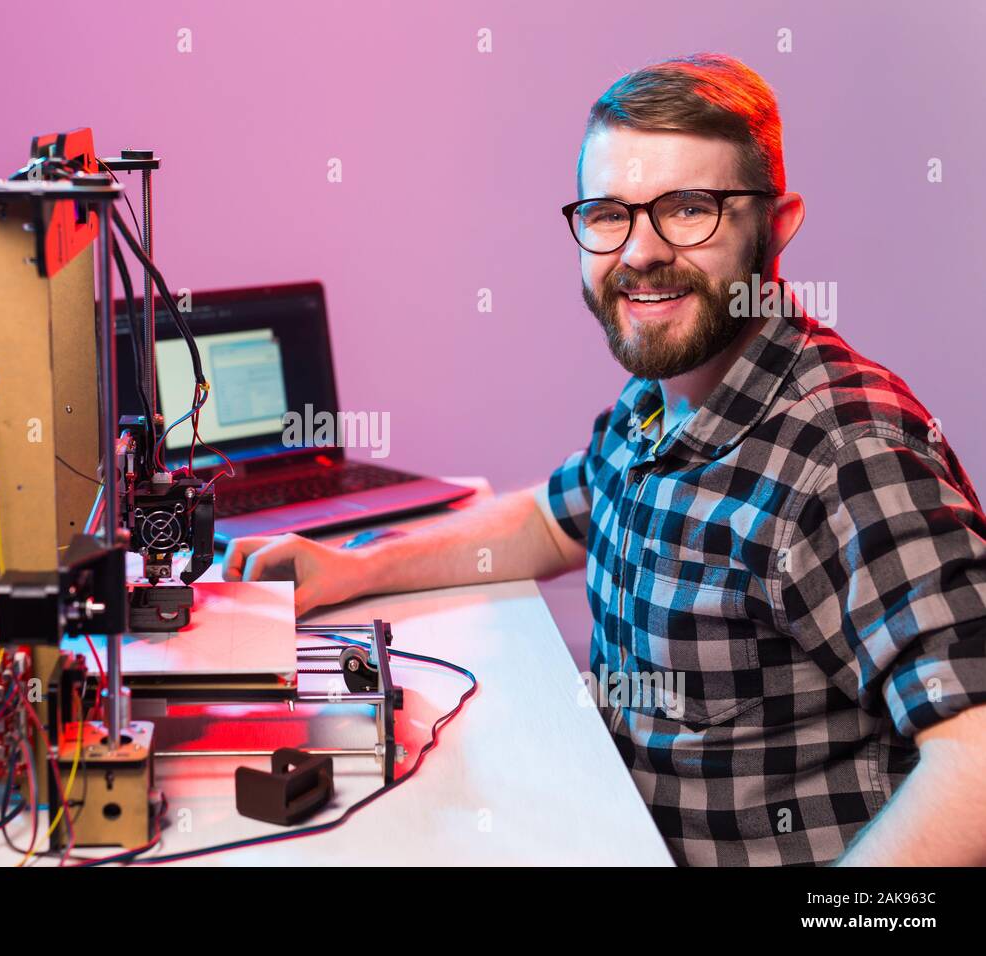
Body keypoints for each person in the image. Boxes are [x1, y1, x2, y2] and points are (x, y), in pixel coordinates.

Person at [224, 54, 986, 866]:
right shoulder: (663, 392)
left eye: (689, 209)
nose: (640, 252)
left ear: (779, 220)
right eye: (609, 214)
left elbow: (976, 756)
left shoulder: (847, 453)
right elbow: (551, 522)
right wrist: (350, 568)